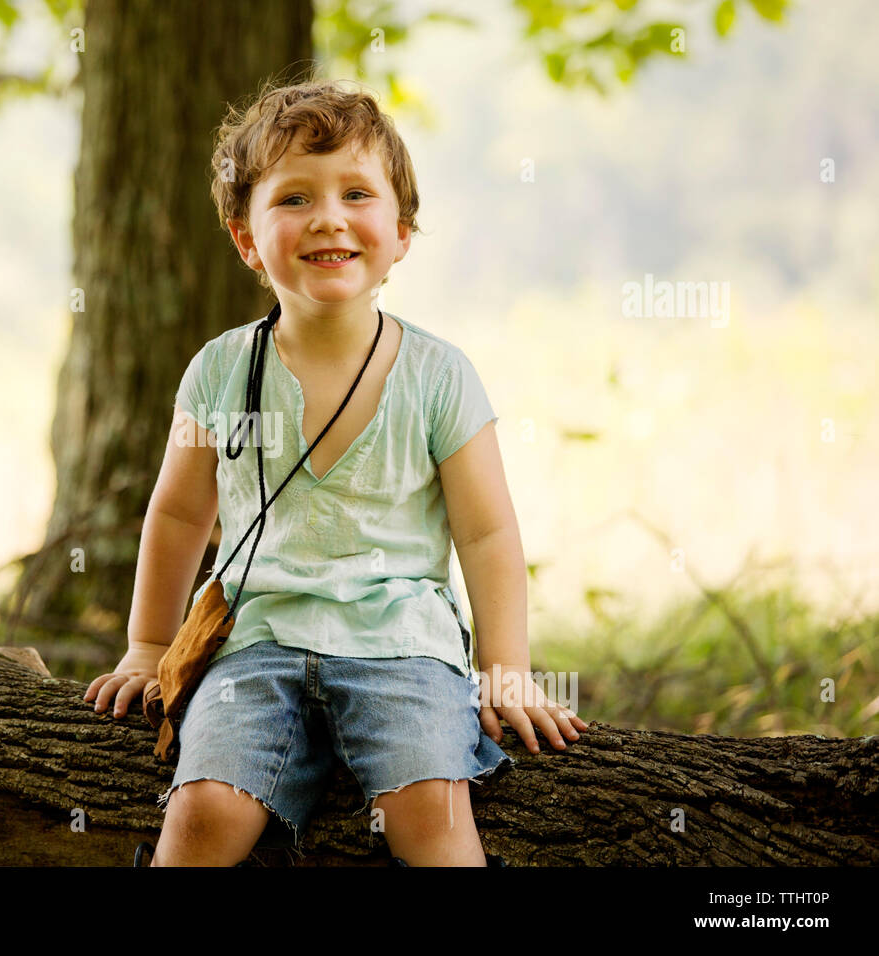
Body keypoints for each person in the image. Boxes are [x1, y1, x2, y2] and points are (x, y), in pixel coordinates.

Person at [84, 75, 588, 866]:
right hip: (258, 639)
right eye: (293, 199)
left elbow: (487, 532)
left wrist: (507, 671)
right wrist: (148, 646)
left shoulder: (440, 376)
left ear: (401, 232)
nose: (328, 217)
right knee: (206, 812)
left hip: (402, 647)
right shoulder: (219, 373)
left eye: (357, 193)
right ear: (246, 237)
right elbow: (180, 515)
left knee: (431, 812)